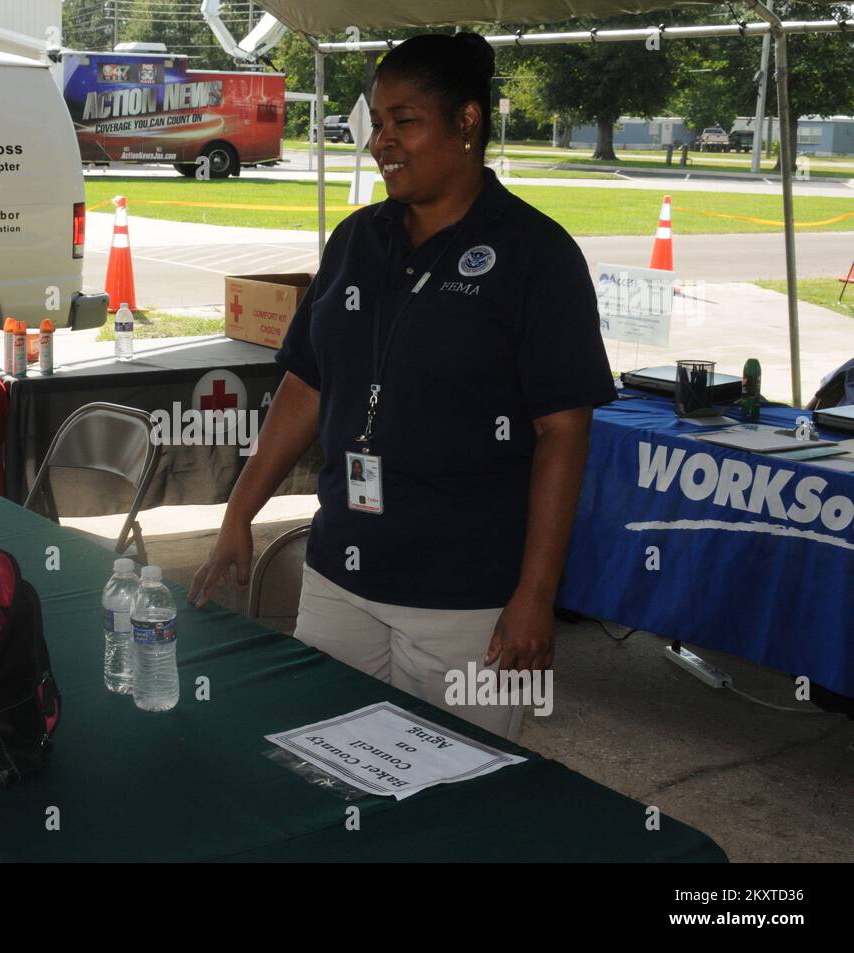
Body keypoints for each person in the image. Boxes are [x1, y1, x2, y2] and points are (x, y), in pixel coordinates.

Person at [190, 33, 615, 741]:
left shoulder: (537, 256)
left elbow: (562, 432)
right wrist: (240, 509)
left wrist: (535, 595)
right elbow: (307, 383)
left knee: (459, 800)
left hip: (466, 601)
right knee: (325, 768)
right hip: (341, 576)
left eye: (405, 121)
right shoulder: (357, 239)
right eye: (377, 123)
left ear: (468, 122)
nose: (382, 142)